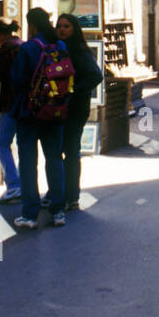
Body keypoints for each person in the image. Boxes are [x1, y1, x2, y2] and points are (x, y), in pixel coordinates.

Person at [9, 8, 72, 229]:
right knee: (55, 159)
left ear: (32, 25)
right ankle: (58, 211)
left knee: (28, 162)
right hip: (54, 111)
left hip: (29, 111)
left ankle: (30, 214)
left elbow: (16, 80)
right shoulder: (60, 46)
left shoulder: (28, 48)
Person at [56, 14, 102, 210]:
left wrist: (75, 91)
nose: (62, 29)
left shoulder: (80, 51)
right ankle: (60, 191)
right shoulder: (59, 48)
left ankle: (72, 194)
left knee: (71, 150)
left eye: (66, 26)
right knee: (59, 150)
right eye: (59, 26)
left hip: (76, 108)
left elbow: (96, 75)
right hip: (60, 107)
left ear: (74, 29)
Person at [0, 18, 22, 204]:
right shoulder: (22, 45)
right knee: (24, 144)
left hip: (10, 102)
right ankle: (23, 185)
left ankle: (13, 184)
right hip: (26, 103)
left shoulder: (5, 49)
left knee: (1, 143)